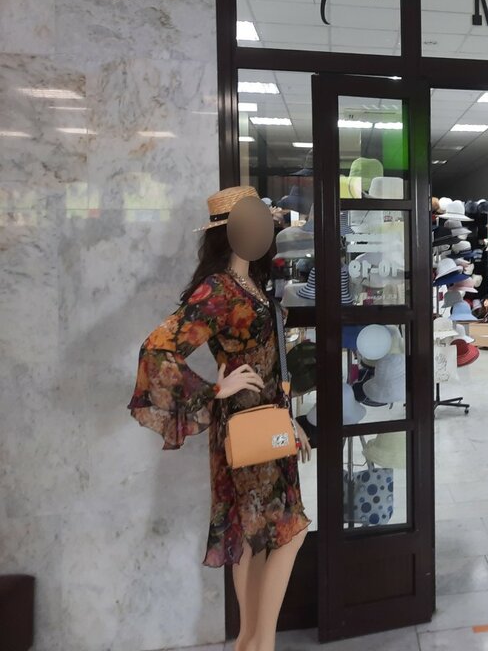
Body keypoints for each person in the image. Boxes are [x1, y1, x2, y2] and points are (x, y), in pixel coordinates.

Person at [128, 186, 312, 651]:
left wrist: (287, 418)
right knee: (282, 531)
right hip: (243, 423)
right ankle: (260, 642)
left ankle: (250, 641)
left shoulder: (250, 284)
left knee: (258, 534)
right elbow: (157, 348)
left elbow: (270, 363)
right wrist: (216, 389)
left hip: (266, 419)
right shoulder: (218, 289)